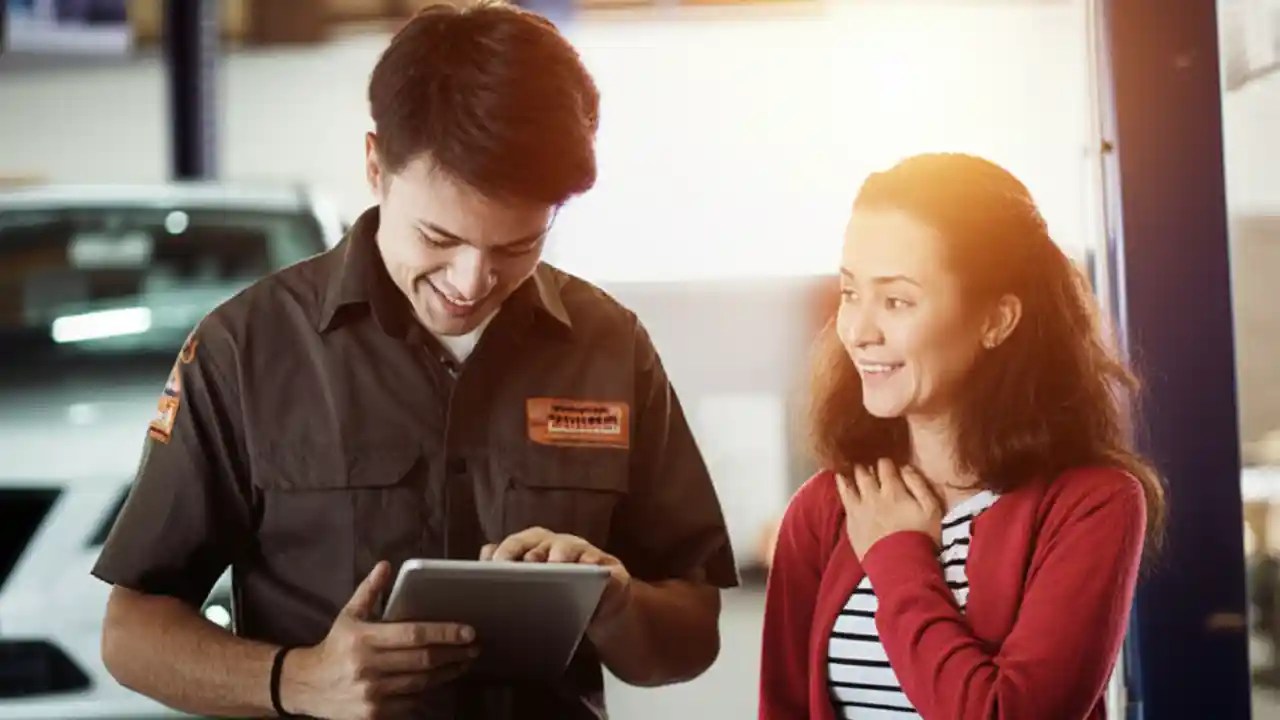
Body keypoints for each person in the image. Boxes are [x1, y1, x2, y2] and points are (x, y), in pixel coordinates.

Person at [92, 4, 738, 719]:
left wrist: (615, 602)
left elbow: (693, 633)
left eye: (517, 247)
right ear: (376, 165)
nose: (471, 282)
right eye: (438, 236)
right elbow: (131, 631)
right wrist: (299, 680)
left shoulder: (610, 346)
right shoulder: (246, 349)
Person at [759, 153, 1165, 719]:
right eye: (851, 293)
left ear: (996, 320)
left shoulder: (1091, 505)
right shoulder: (827, 507)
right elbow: (782, 710)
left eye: (897, 300)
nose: (858, 331)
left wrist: (900, 555)